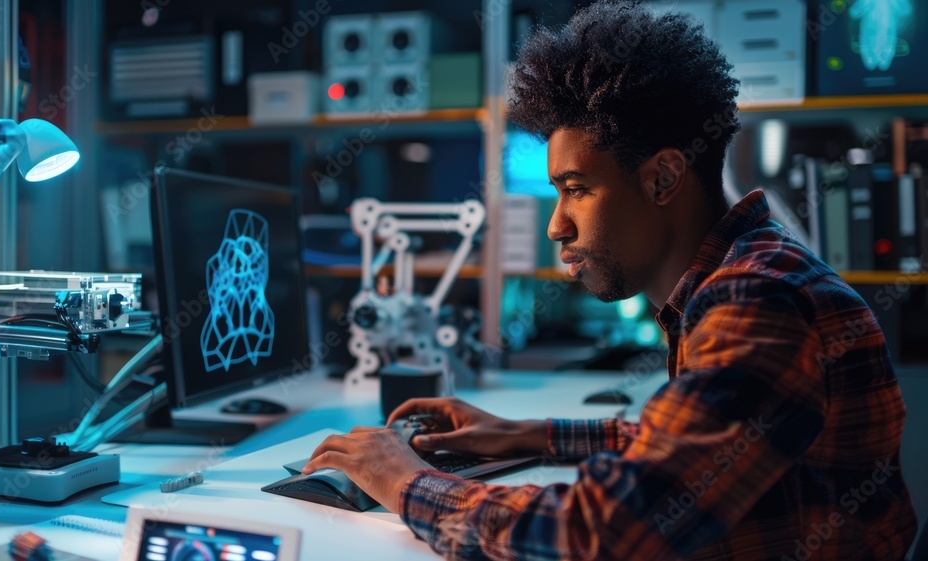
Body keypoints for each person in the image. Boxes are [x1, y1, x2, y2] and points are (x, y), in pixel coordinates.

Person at [302, 2, 918, 559]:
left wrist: (404, 480)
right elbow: (687, 443)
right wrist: (524, 434)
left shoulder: (757, 298)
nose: (556, 227)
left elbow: (606, 531)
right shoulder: (749, 269)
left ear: (663, 178)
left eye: (576, 190)